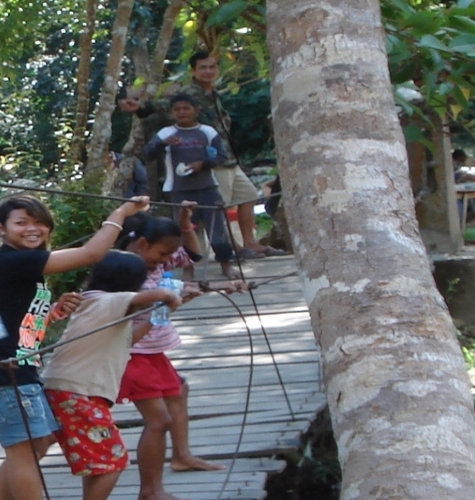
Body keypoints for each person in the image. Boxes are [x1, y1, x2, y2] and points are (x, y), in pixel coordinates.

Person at [0, 194, 146, 500]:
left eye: (39, 223)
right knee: (25, 454)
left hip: (13, 372)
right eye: (21, 223)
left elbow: (3, 327)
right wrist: (123, 211)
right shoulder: (13, 260)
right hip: (3, 377)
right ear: (2, 228)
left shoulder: (18, 266)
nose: (32, 229)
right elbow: (92, 253)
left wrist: (51, 313)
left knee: (31, 448)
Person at [112, 211, 249, 500]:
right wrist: (170, 298)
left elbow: (191, 261)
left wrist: (220, 285)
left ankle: (182, 456)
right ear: (143, 244)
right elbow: (129, 303)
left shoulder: (153, 262)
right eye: (163, 253)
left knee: (178, 391)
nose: (166, 260)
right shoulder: (122, 268)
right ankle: (150, 490)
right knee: (157, 421)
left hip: (152, 349)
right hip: (131, 352)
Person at [120, 51, 286, 259]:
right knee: (218, 207)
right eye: (203, 68)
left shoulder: (212, 93)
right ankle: (232, 248)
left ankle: (251, 242)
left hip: (227, 158)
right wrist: (140, 108)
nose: (208, 72)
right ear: (193, 71)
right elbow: (163, 105)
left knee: (249, 195)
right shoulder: (189, 93)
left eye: (212, 67)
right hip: (208, 163)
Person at [41, 251, 180, 500]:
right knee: (112, 461)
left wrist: (158, 315)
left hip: (72, 390)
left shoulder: (100, 305)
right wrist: (167, 294)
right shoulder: (105, 301)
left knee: (98, 462)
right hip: (79, 391)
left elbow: (128, 341)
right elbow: (152, 295)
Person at [139, 94, 236, 278]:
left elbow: (222, 156)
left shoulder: (208, 132)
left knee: (217, 230)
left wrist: (203, 164)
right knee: (184, 231)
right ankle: (187, 269)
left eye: (186, 108)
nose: (182, 112)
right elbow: (148, 154)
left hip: (208, 187)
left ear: (195, 110)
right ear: (171, 112)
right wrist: (161, 144)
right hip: (179, 190)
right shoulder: (165, 133)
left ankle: (226, 265)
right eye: (177, 109)